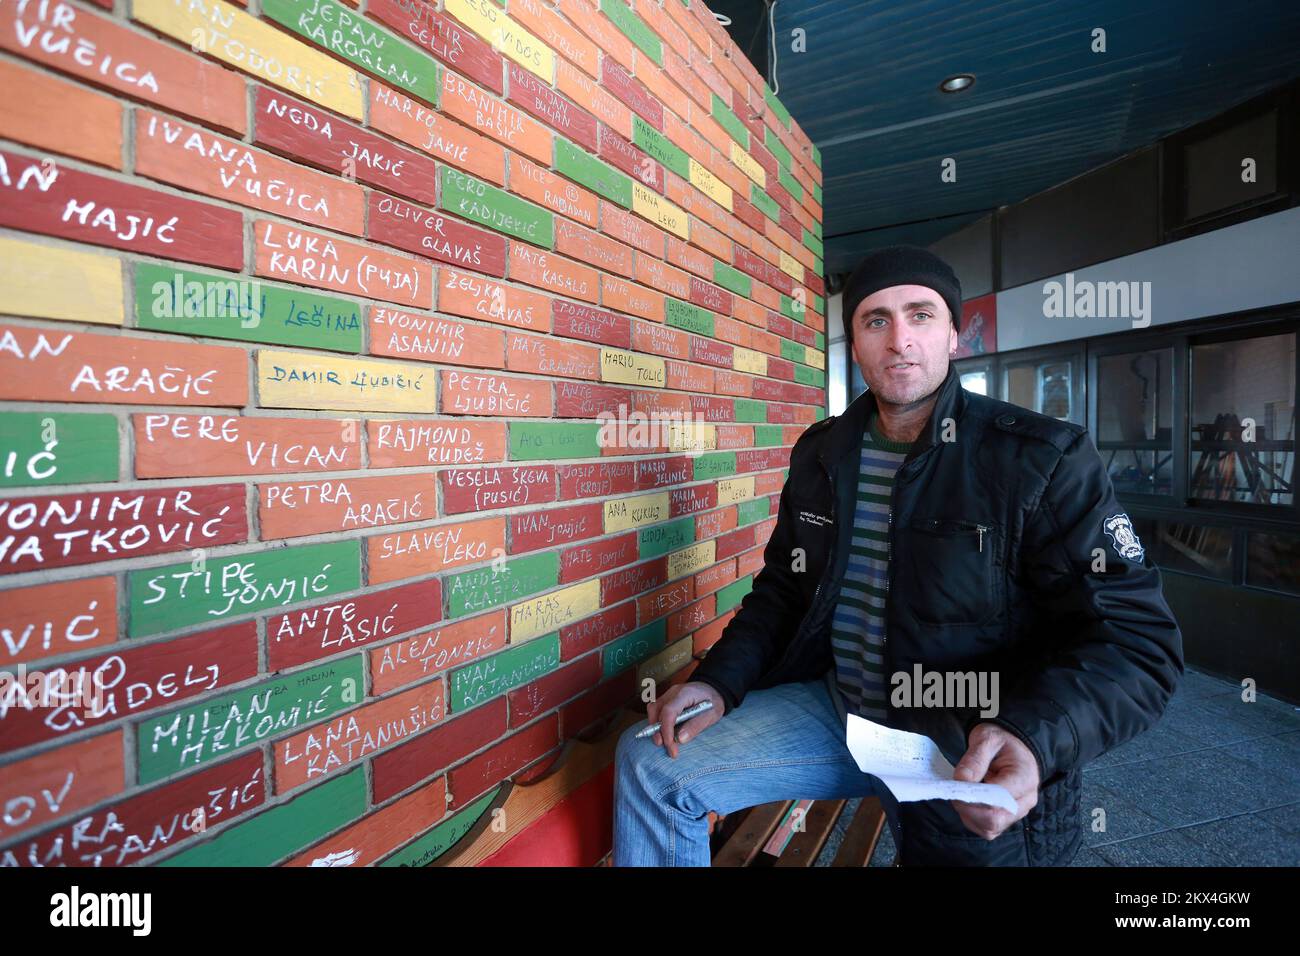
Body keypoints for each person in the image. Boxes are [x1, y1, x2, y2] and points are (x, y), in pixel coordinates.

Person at [612, 245, 1184, 866]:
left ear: (954, 336)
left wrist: (1030, 737)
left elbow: (1137, 642)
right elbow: (783, 590)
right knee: (652, 761)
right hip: (843, 714)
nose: (899, 340)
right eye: (875, 320)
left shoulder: (1041, 461)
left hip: (963, 742)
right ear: (854, 345)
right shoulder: (824, 453)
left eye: (921, 315)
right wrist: (719, 682)